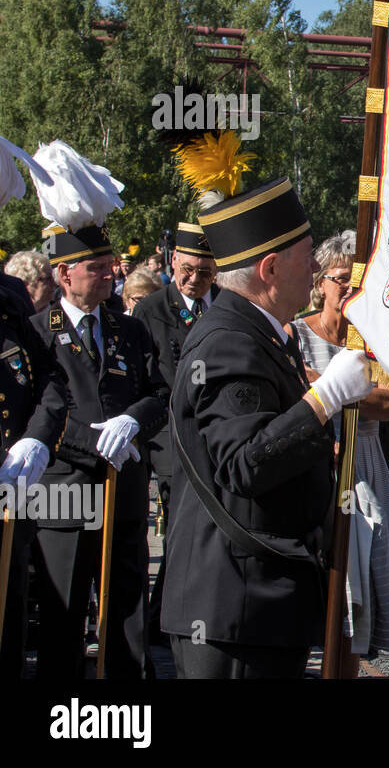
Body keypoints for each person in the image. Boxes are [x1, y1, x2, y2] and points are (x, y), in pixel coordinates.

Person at [162, 175, 373, 678]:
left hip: (258, 599)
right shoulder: (231, 342)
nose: (317, 270)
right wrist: (323, 400)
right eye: (308, 258)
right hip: (234, 604)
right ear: (270, 268)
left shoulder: (260, 334)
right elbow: (245, 464)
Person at [30, 221, 169, 679]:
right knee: (63, 607)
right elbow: (38, 413)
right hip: (62, 486)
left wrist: (132, 422)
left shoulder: (128, 330)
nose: (110, 274)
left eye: (111, 266)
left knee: (126, 603)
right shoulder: (38, 332)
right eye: (97, 268)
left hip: (123, 484)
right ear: (64, 274)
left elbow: (159, 394)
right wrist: (93, 441)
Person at [292, 231, 389, 676]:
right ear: (321, 282)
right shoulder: (297, 333)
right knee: (324, 587)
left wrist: (334, 393)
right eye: (340, 278)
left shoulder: (374, 337)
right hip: (319, 463)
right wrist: (352, 392)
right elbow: (297, 394)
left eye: (356, 279)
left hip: (366, 462)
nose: (347, 287)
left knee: (364, 591)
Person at [129, 221, 219, 646]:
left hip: (215, 431)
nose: (194, 280)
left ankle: (175, 614)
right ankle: (164, 618)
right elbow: (152, 380)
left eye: (204, 272)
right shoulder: (153, 310)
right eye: (187, 270)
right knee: (184, 516)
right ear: (172, 262)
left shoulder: (223, 304)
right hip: (168, 432)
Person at [0, 138, 69, 678]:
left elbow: (47, 376)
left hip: (9, 487)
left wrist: (35, 438)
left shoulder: (9, 298)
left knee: (7, 610)